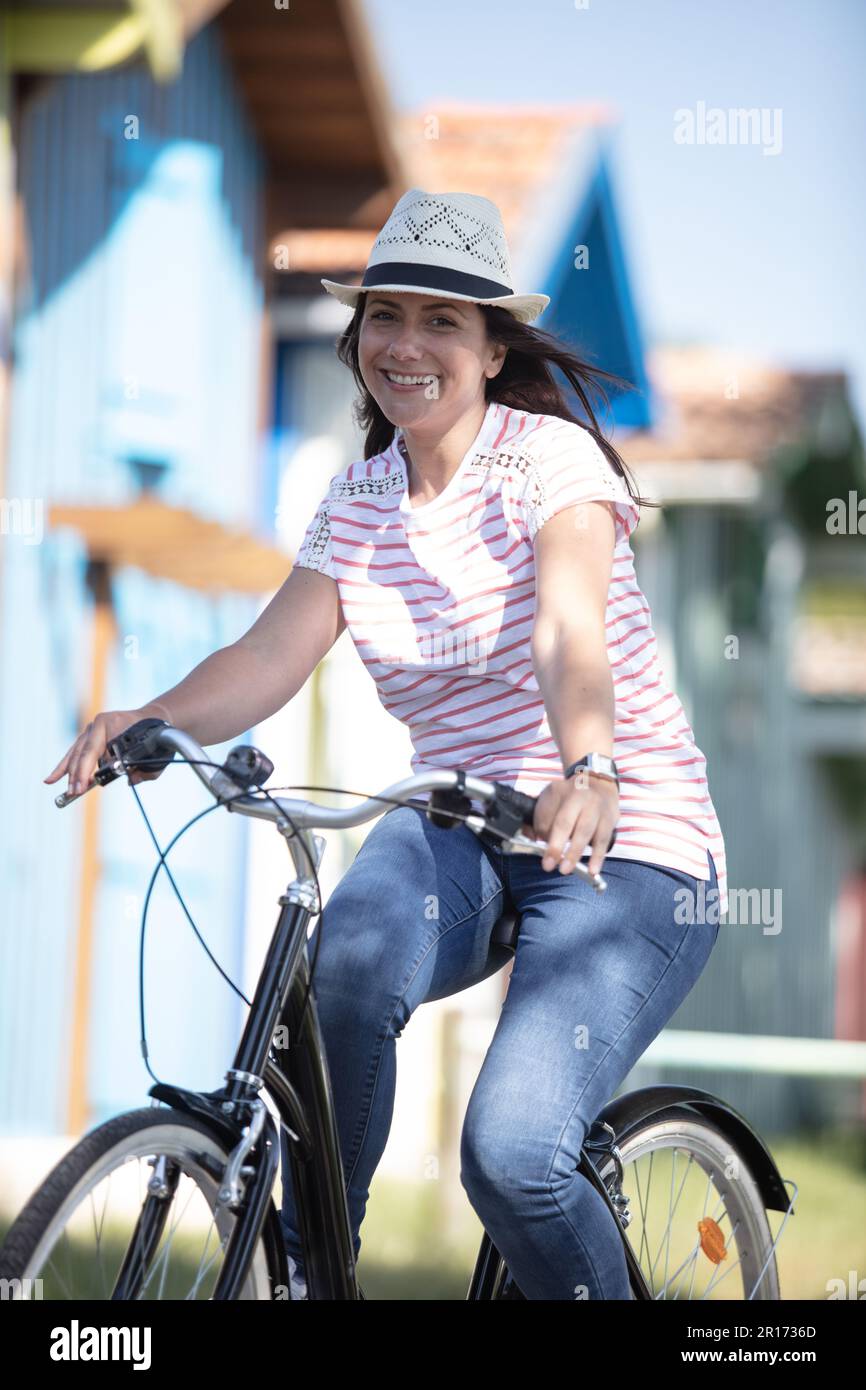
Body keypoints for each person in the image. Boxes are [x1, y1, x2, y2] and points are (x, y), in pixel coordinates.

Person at [45, 188, 727, 1301]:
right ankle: (319, 1275)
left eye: (442, 320)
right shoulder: (355, 502)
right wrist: (150, 718)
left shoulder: (549, 463)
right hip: (454, 819)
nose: (405, 344)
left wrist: (588, 765)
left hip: (622, 839)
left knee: (513, 1155)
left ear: (492, 346)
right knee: (343, 976)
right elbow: (270, 657)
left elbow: (567, 631)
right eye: (384, 315)